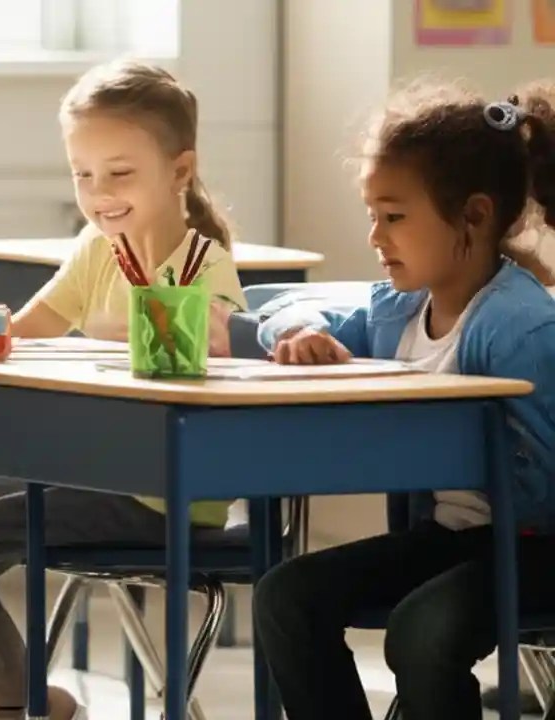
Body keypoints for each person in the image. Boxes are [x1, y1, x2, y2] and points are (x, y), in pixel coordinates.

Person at [0, 60, 247, 720]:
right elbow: (20, 336)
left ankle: (7, 704)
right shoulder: (93, 250)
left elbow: (205, 361)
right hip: (85, 473)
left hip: (163, 492)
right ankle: (25, 698)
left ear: (180, 171)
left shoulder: (202, 265)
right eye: (83, 173)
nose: (97, 190)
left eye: (120, 172)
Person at [252, 78, 555, 720]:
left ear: (473, 214)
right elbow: (286, 307)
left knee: (423, 630)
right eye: (373, 215)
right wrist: (300, 335)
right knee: (286, 596)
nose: (374, 236)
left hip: (538, 544)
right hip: (456, 538)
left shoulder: (518, 326)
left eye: (394, 217)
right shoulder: (400, 307)